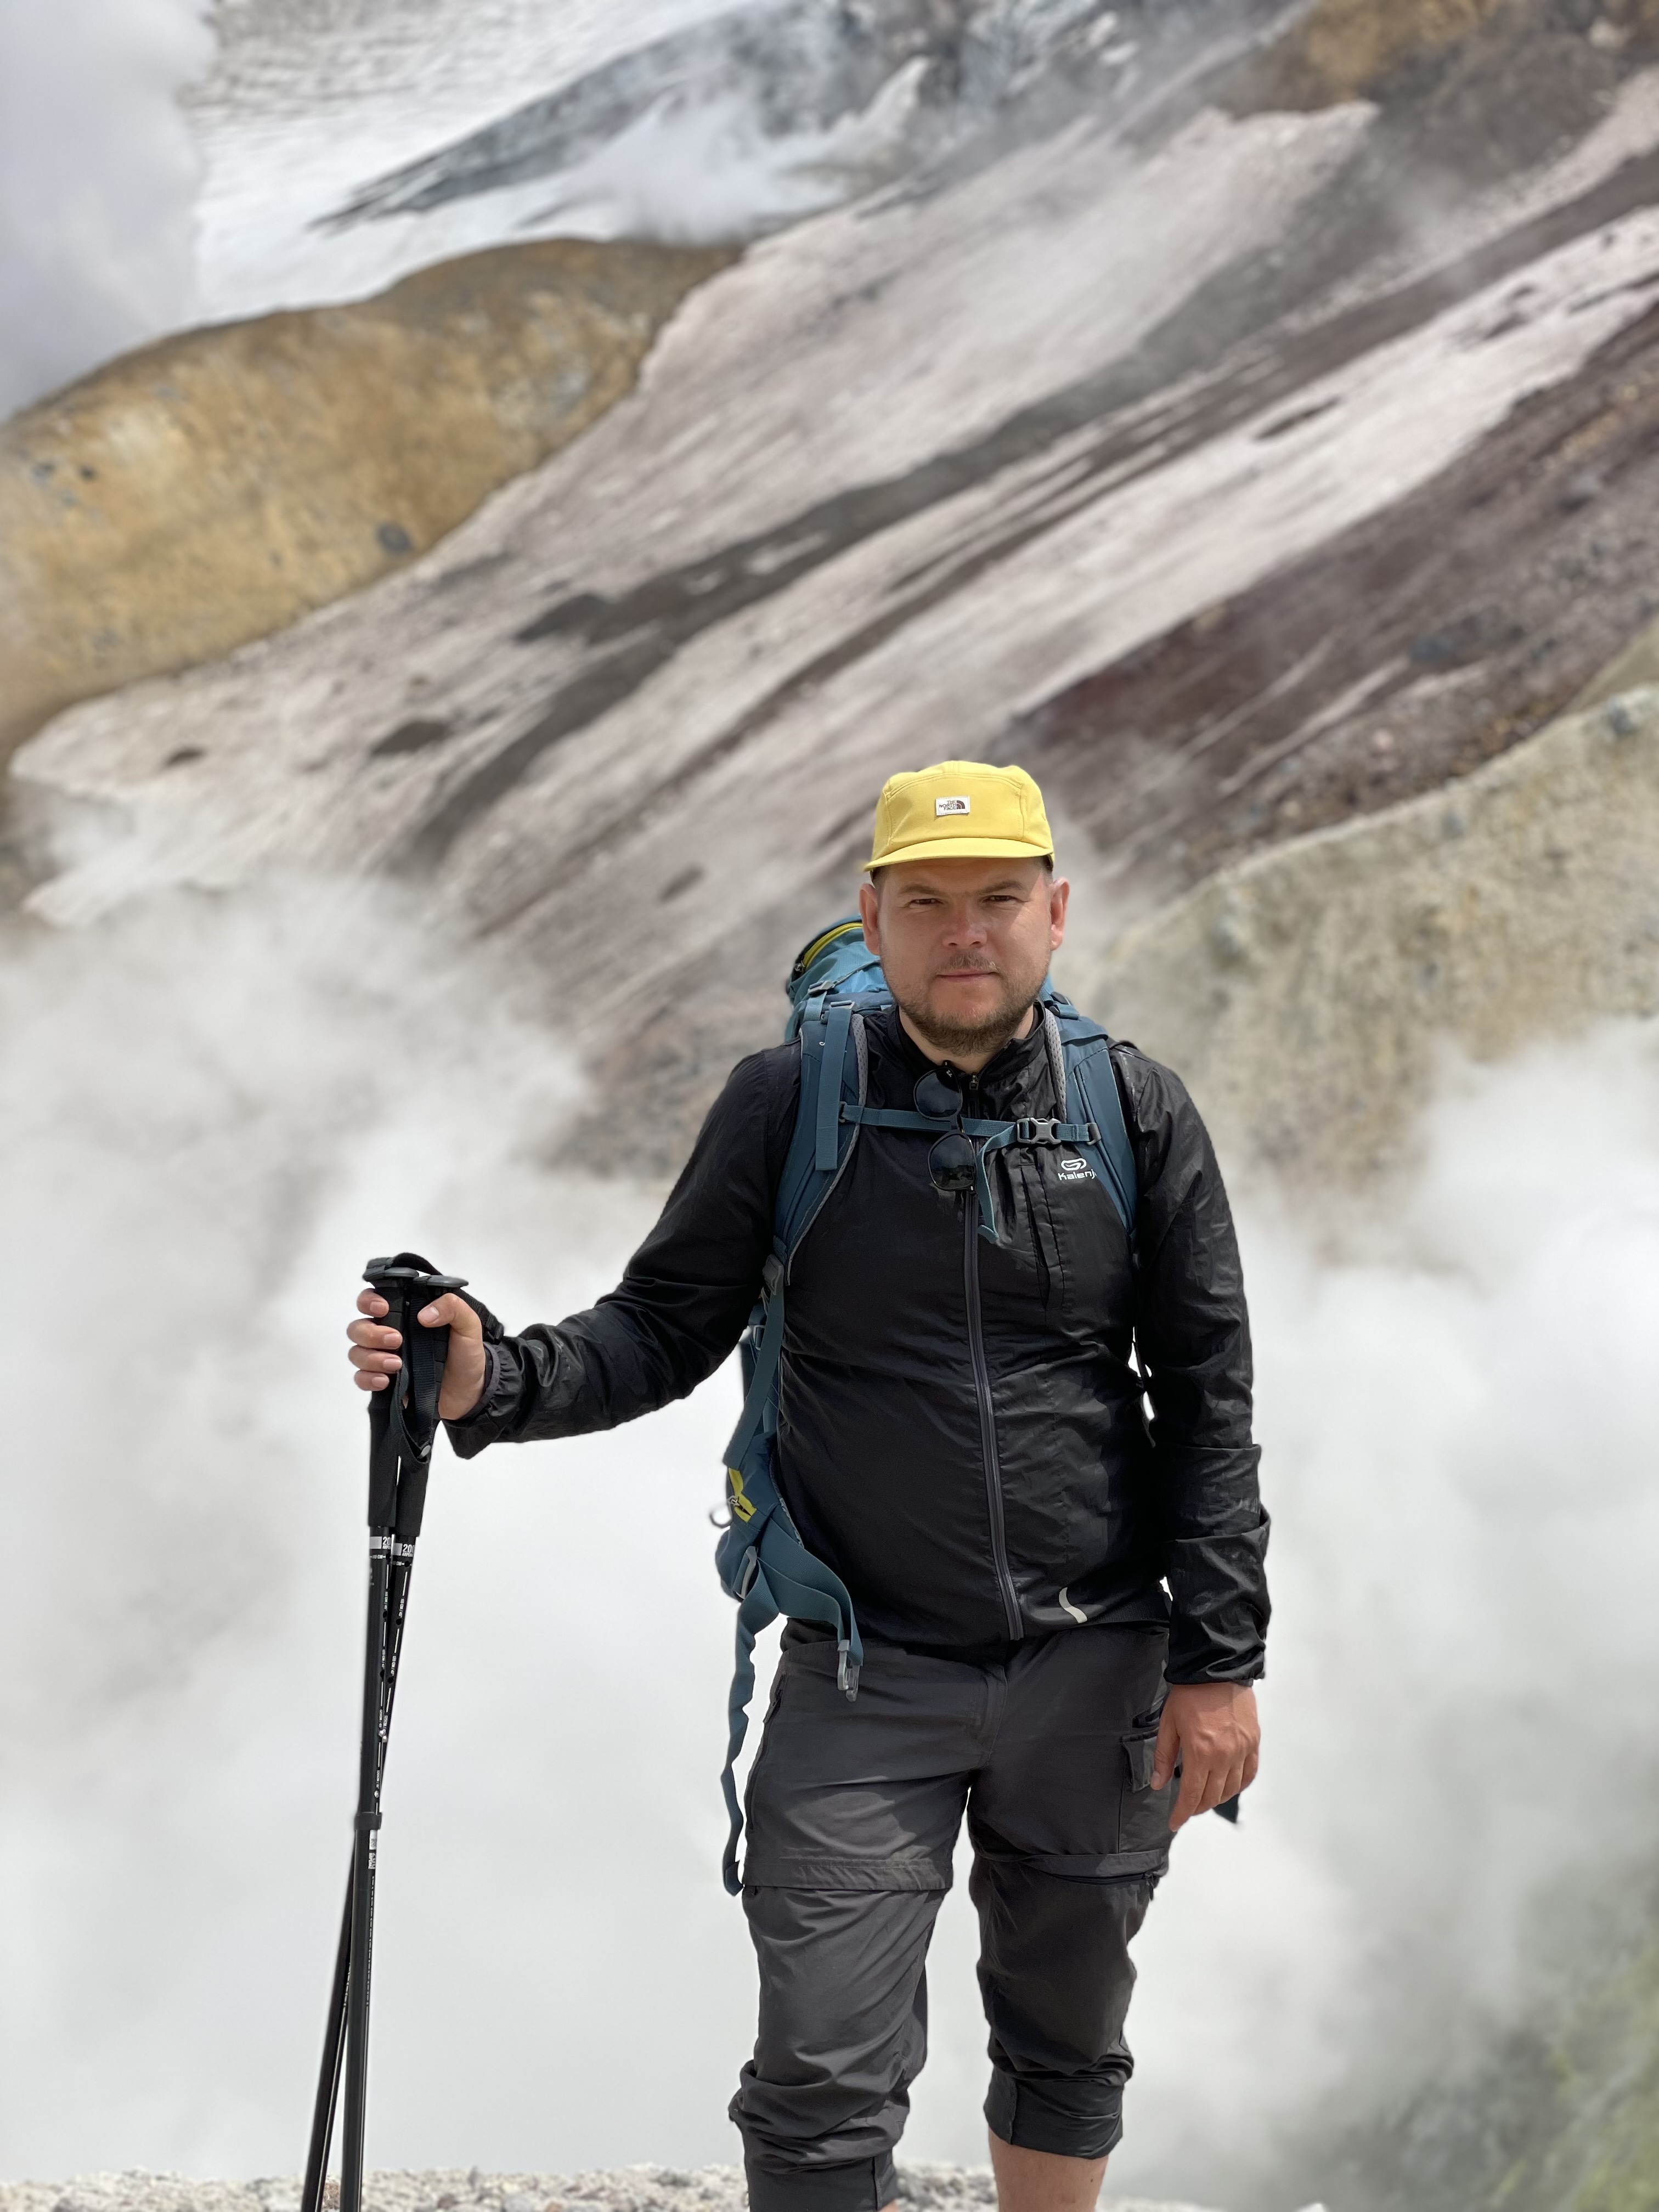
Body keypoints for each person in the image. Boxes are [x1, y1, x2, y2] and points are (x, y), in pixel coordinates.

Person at [346, 760, 1268, 2212]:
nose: (967, 933)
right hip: (863, 1665)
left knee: (1071, 2030)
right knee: (824, 2070)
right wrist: (489, 1380)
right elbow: (660, 1326)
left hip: (1100, 1661)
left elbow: (1211, 1396)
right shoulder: (788, 1107)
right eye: (929, 905)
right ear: (875, 917)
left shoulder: (1135, 1113)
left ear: (1057, 913)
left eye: (999, 901)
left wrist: (1222, 1663)